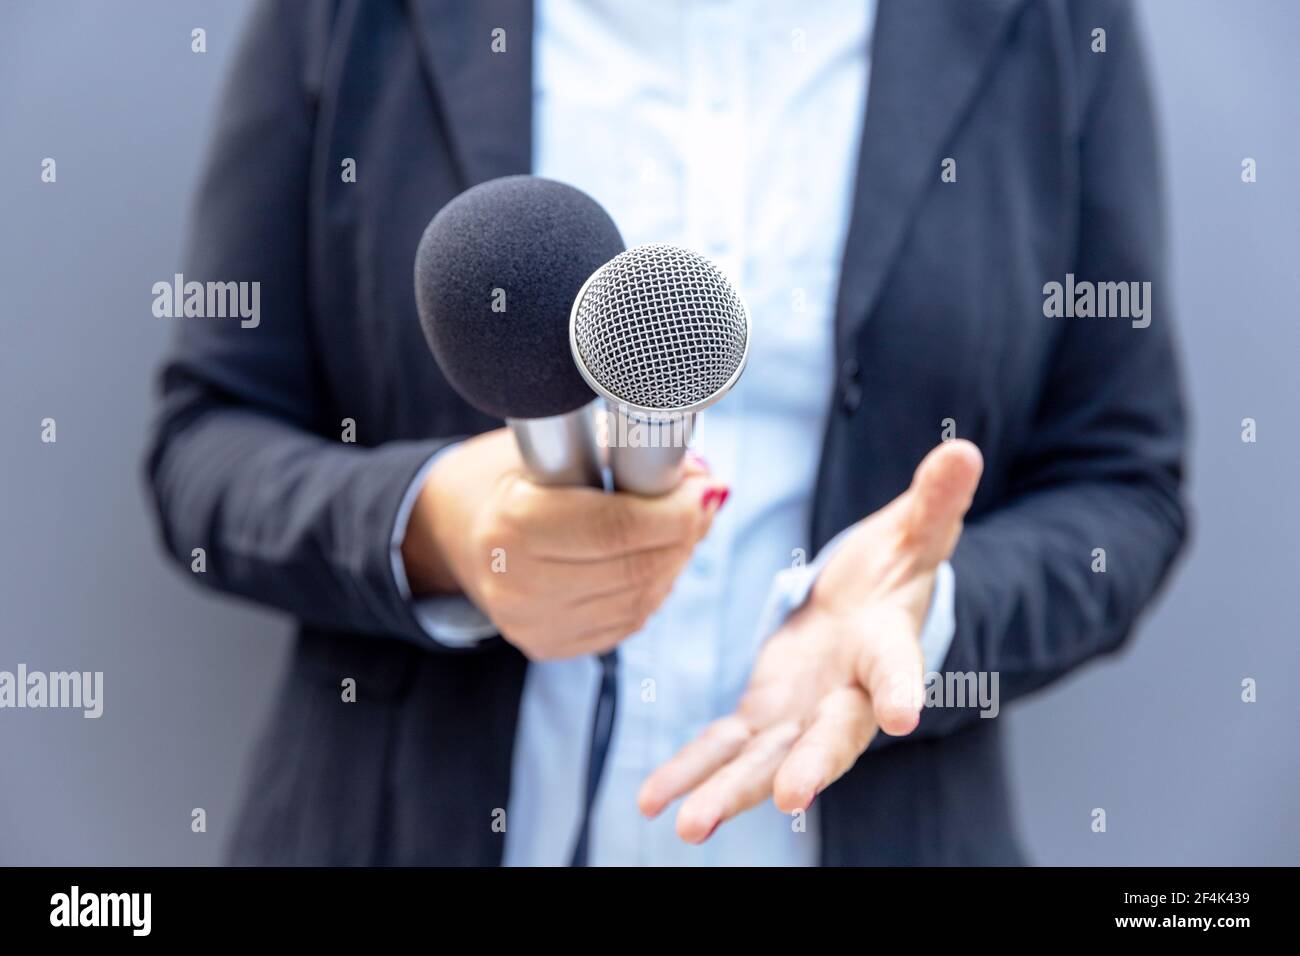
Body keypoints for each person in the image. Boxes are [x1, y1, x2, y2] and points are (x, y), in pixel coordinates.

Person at [145, 0, 1187, 865]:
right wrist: (438, 528)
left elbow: (1124, 482)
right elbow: (205, 443)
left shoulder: (1047, 24)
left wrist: (929, 615)